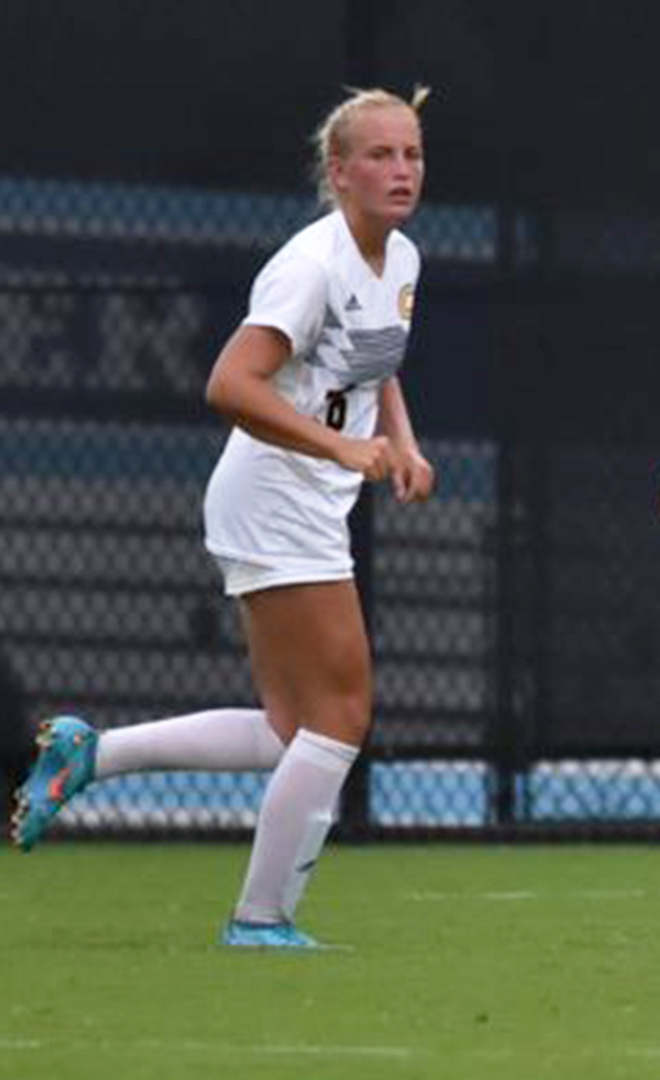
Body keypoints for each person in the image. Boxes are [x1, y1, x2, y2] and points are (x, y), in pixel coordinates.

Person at [8, 87, 435, 950]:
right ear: (337, 171)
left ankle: (93, 755)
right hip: (274, 500)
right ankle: (260, 918)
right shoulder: (309, 264)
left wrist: (403, 442)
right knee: (342, 716)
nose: (400, 170)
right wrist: (342, 451)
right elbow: (228, 384)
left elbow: (375, 364)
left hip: (303, 499)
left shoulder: (402, 260)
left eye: (413, 154)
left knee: (293, 730)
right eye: (380, 155)